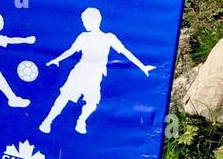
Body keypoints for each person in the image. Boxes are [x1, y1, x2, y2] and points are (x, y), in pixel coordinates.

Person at [39, 7, 154, 135]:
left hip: (95, 75)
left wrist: (142, 66)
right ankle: (47, 121)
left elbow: (126, 52)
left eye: (86, 21)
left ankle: (81, 121)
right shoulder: (83, 36)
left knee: (92, 102)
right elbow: (70, 51)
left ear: (96, 20)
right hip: (80, 72)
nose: (84, 23)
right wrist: (57, 60)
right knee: (64, 97)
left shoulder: (109, 37)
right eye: (83, 21)